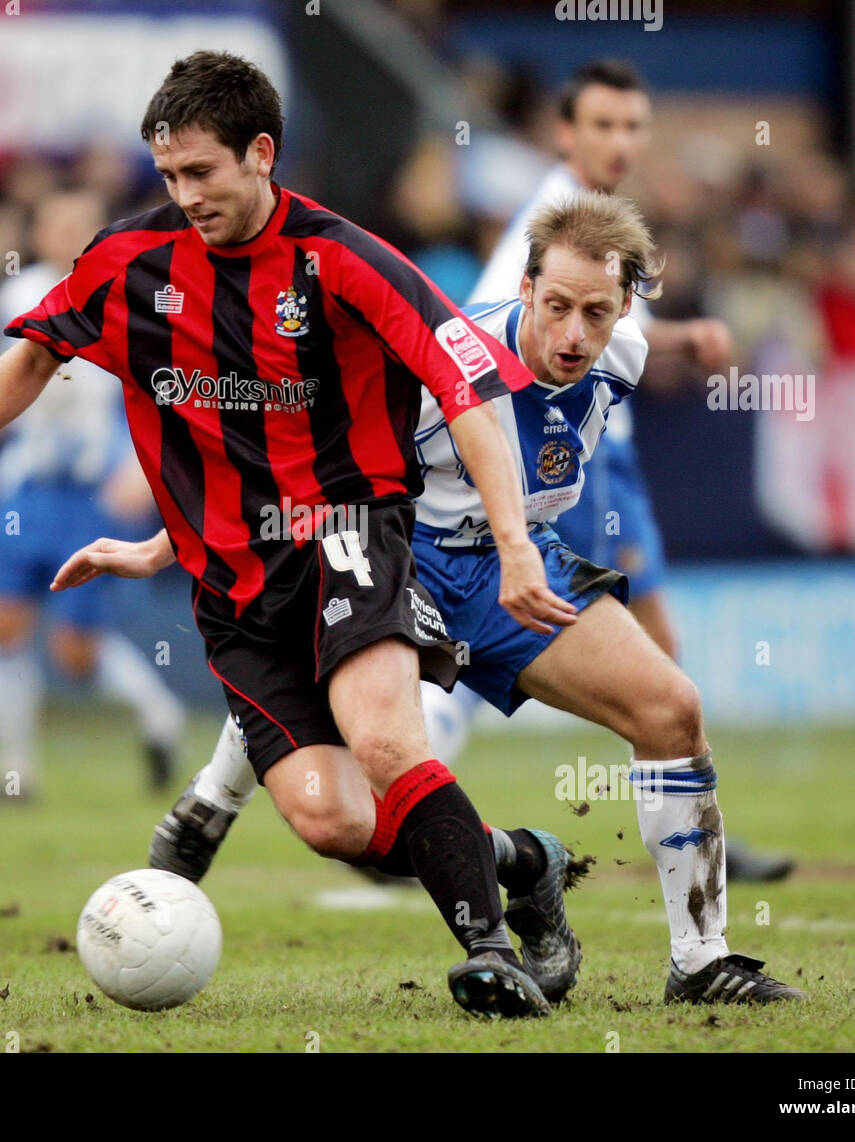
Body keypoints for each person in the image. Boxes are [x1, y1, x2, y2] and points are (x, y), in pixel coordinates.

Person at [0, 51, 570, 1018]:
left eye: (202, 172)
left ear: (262, 154)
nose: (183, 193)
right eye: (167, 176)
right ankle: (521, 864)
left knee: (388, 742)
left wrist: (515, 543)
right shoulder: (132, 263)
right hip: (230, 580)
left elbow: (472, 395)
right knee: (328, 818)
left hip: (348, 533)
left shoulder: (345, 259)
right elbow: (34, 355)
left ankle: (497, 955)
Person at [139, 193, 804, 1005]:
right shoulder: (431, 358)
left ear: (625, 306)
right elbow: (290, 455)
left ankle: (701, 964)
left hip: (513, 565)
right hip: (391, 560)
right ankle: (229, 797)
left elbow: (628, 353)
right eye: (555, 306)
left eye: (596, 312)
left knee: (672, 709)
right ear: (523, 290)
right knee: (343, 818)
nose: (572, 334)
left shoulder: (624, 352)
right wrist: (166, 541)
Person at [468, 58, 791, 882]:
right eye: (601, 125)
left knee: (642, 650)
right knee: (622, 652)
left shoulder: (600, 222)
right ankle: (699, 837)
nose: (619, 142)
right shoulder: (546, 222)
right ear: (565, 133)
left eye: (632, 126)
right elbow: (483, 332)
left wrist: (680, 339)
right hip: (565, 458)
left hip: (605, 454)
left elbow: (613, 334)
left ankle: (697, 829)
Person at [0, 188, 185, 797]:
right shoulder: (17, 295)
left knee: (76, 652)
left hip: (93, 486)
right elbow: (3, 385)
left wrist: (142, 469)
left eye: (79, 224)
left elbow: (163, 386)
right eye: (56, 224)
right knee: (0, 621)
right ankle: (15, 772)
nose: (67, 236)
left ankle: (159, 717)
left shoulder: (133, 293)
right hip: (27, 484)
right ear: (38, 232)